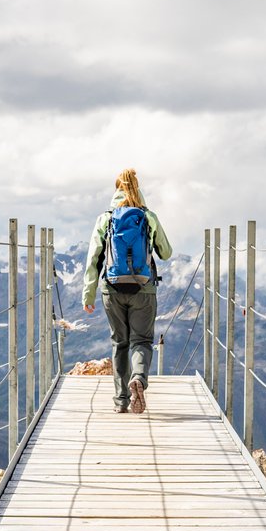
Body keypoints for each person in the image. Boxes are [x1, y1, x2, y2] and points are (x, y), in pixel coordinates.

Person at [82, 168, 173, 413]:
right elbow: (166, 252)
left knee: (119, 342)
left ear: (116, 190)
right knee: (141, 340)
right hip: (144, 289)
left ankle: (121, 401)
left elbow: (94, 259)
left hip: (111, 290)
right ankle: (139, 378)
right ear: (138, 189)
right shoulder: (147, 216)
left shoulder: (106, 218)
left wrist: (88, 294)